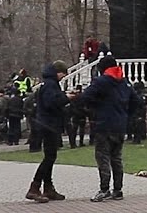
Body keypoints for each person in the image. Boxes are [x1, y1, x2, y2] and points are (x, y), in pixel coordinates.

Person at [80, 55, 140, 202]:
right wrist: (126, 115)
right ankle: (118, 190)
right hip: (120, 126)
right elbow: (136, 102)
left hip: (104, 124)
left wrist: (93, 107)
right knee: (116, 158)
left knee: (103, 157)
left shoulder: (102, 82)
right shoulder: (125, 83)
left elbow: (85, 97)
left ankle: (104, 189)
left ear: (103, 69)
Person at [27, 60, 70, 204]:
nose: (63, 77)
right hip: (49, 124)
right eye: (63, 75)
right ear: (58, 72)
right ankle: (35, 186)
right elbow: (52, 103)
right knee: (50, 157)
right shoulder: (51, 85)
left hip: (45, 123)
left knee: (50, 156)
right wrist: (67, 98)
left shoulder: (48, 84)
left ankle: (48, 187)